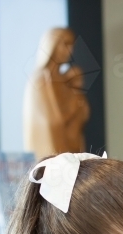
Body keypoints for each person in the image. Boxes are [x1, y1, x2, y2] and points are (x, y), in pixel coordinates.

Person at [22, 27, 90, 158]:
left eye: (71, 45)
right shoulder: (41, 79)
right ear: (51, 46)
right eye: (65, 44)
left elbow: (82, 114)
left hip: (73, 152)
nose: (69, 50)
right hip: (54, 155)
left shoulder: (66, 80)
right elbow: (50, 122)